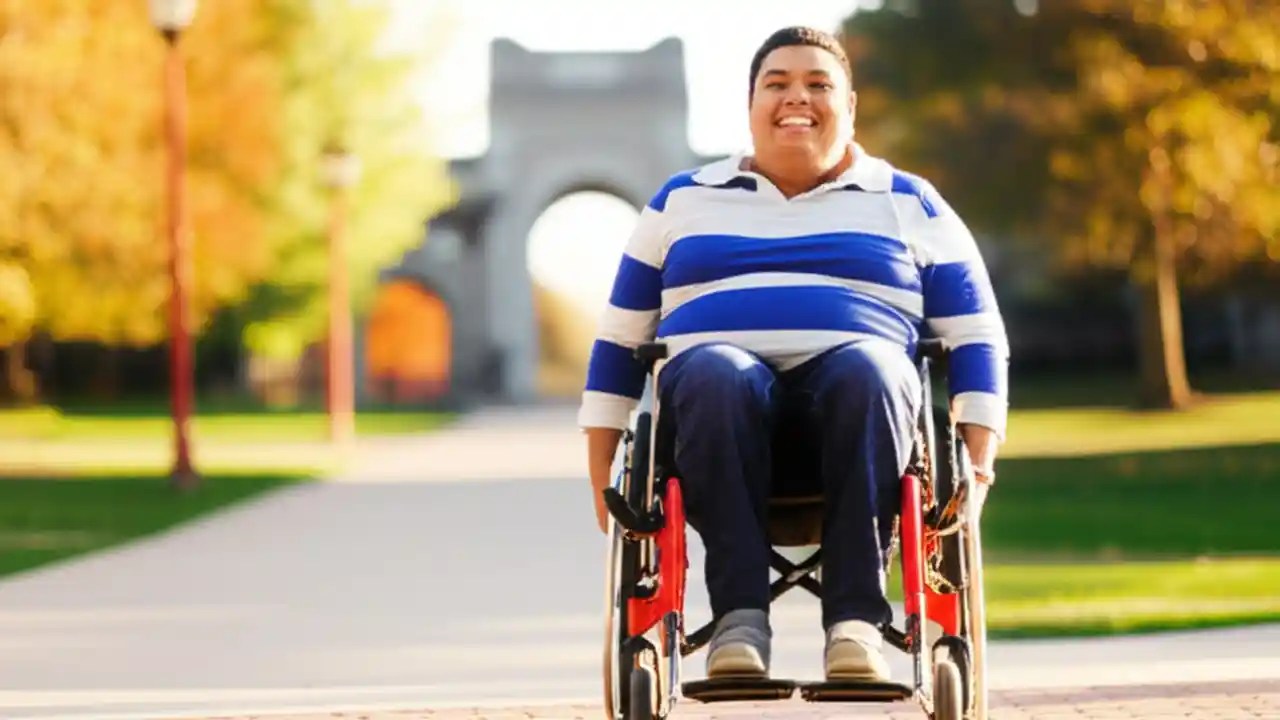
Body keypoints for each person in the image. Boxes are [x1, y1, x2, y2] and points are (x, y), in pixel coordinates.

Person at [579, 26, 1008, 683]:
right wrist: (602, 468)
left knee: (869, 367)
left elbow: (977, 335)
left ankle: (857, 627)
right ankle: (738, 626)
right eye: (776, 84)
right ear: (750, 104)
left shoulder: (909, 201)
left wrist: (976, 469)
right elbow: (620, 339)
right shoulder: (680, 200)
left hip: (863, 416)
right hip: (716, 417)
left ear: (851, 105)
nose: (795, 97)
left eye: (817, 83)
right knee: (719, 370)